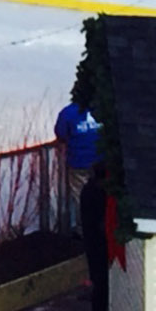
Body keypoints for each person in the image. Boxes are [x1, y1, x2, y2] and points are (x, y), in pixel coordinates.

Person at [56, 79, 103, 219]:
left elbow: (61, 134)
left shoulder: (67, 113)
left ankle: (84, 226)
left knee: (80, 197)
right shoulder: (102, 110)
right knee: (102, 195)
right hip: (101, 163)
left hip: (78, 163)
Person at [80, 164, 111, 311]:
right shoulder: (101, 194)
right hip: (100, 245)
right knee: (102, 286)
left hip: (91, 244)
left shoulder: (87, 190)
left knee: (97, 285)